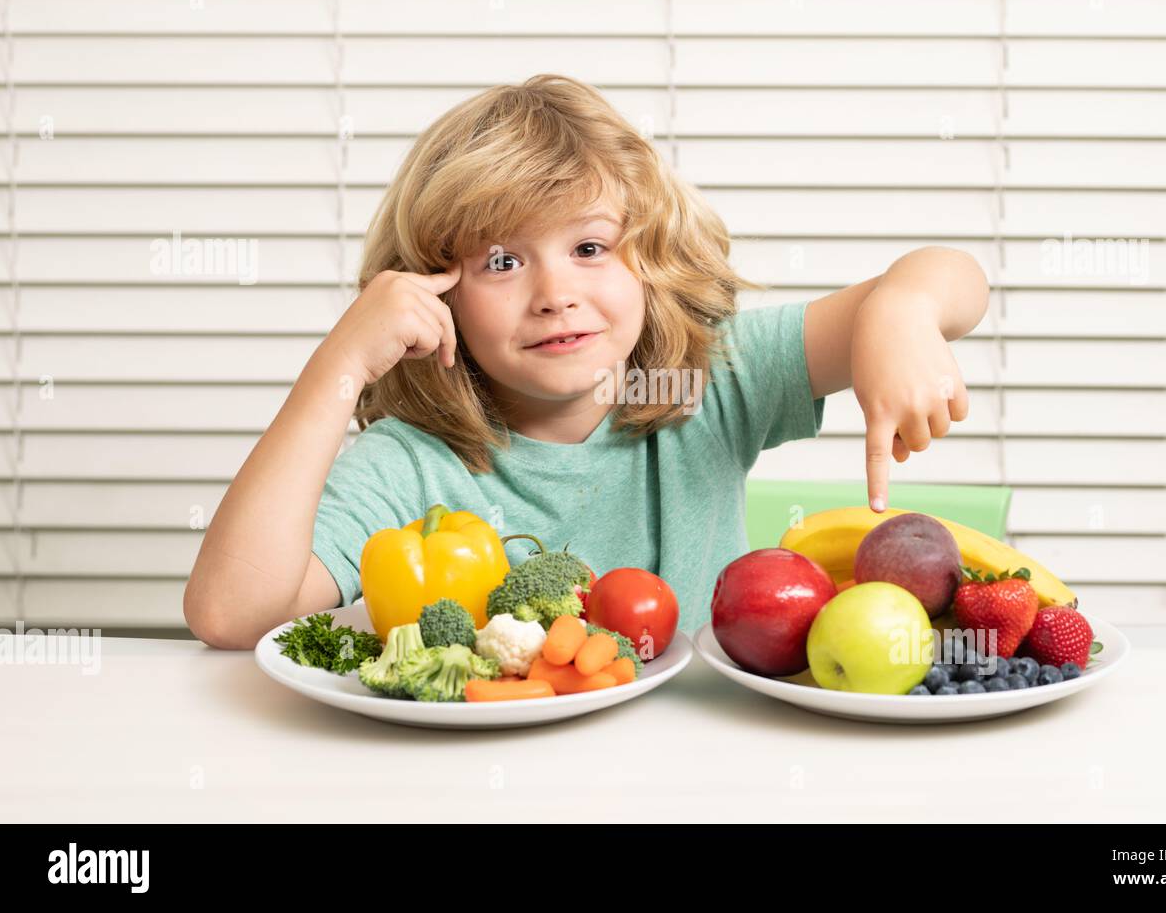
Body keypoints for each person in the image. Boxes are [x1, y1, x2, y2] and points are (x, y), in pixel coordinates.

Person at [185, 73, 988, 649]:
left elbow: (960, 281)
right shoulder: (413, 467)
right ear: (434, 293)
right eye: (502, 262)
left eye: (591, 247)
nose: (554, 292)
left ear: (648, 259)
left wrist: (901, 307)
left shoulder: (707, 386)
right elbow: (231, 614)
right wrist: (341, 366)